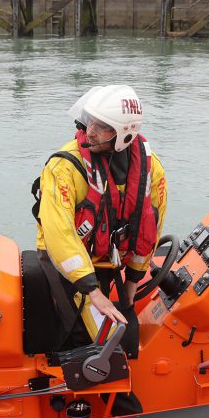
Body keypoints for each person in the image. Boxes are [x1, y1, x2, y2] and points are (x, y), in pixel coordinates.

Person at [33, 85, 167, 347]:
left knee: (128, 336)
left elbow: (151, 228)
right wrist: (92, 290)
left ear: (123, 135)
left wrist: (133, 280)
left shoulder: (152, 170)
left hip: (107, 260)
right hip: (67, 263)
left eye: (101, 126)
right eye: (90, 121)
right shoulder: (63, 167)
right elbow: (59, 235)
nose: (89, 131)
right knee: (103, 340)